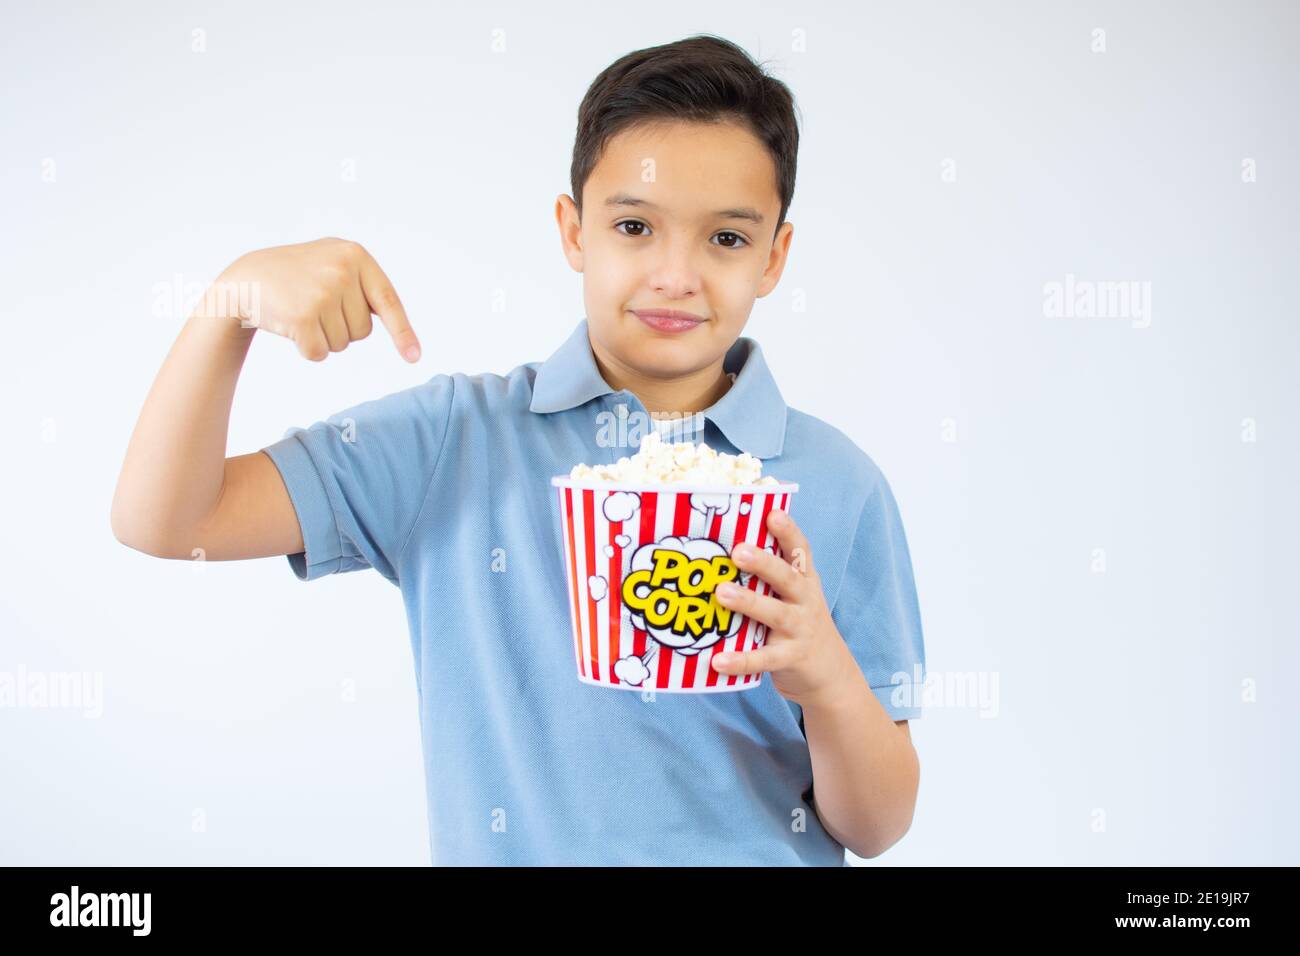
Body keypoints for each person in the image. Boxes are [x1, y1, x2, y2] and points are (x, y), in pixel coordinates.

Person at [111, 34, 926, 866]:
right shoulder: (455, 441)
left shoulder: (837, 484)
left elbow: (877, 825)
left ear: (774, 257)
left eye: (725, 239)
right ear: (574, 233)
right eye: (635, 226)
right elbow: (168, 519)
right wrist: (230, 302)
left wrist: (827, 680)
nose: (676, 275)